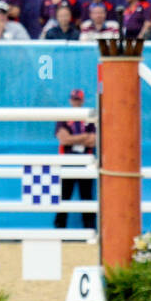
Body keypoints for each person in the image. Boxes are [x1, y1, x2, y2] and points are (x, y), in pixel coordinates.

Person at [55, 89, 97, 230]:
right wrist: (84, 137)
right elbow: (64, 139)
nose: (75, 101)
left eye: (78, 99)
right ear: (70, 100)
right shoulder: (64, 117)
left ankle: (89, 229)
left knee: (87, 197)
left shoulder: (89, 117)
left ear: (82, 100)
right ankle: (60, 228)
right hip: (67, 163)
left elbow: (94, 141)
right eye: (74, 99)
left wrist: (74, 139)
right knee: (64, 196)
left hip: (86, 162)